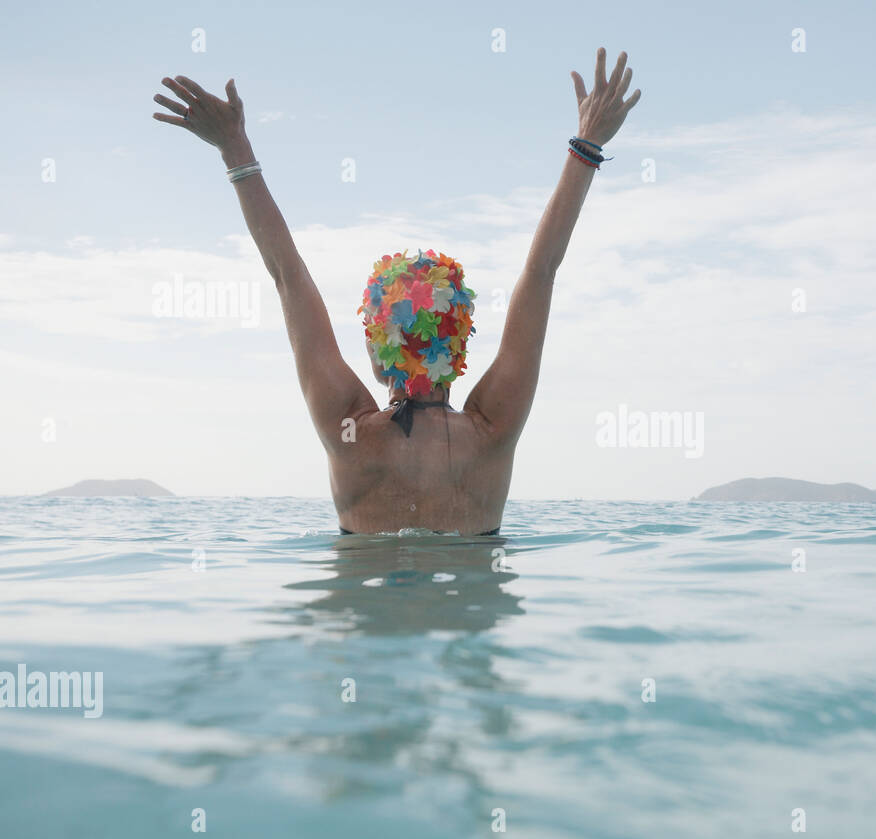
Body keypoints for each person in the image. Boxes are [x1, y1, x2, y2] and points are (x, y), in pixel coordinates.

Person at [152, 49, 641, 536]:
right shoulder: (493, 428)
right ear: (461, 342)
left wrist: (234, 149)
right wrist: (587, 144)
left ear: (376, 347)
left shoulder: (347, 430)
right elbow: (541, 272)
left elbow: (287, 275)